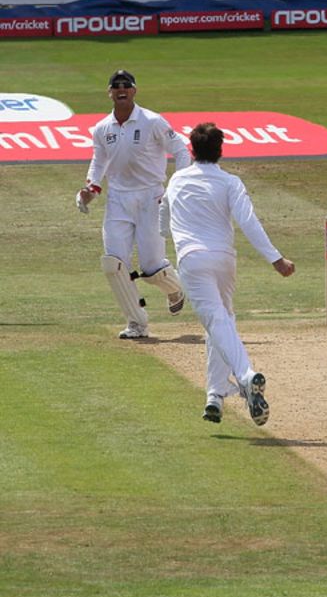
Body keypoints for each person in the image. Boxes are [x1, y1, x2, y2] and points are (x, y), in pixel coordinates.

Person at [158, 123, 295, 426]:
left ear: (192, 150)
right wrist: (275, 259)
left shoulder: (177, 180)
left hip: (193, 261)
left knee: (217, 322)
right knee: (221, 324)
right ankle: (215, 396)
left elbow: (162, 219)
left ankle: (245, 377)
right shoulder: (230, 182)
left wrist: (167, 234)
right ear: (220, 150)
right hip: (224, 261)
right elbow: (248, 222)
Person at [76, 69, 191, 339]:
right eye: (116, 86)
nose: (121, 89)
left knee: (152, 268)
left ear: (134, 91)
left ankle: (175, 288)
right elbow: (99, 160)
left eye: (126, 85)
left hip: (152, 198)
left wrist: (176, 188)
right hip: (118, 199)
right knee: (113, 264)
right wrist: (91, 189)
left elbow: (181, 151)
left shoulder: (152, 121)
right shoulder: (102, 128)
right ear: (109, 93)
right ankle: (137, 323)